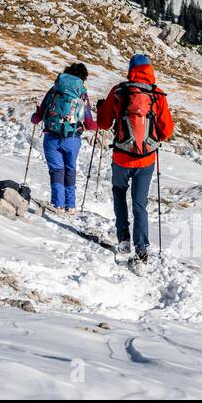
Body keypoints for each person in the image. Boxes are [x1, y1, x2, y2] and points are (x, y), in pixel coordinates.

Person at [95, 53, 174, 269]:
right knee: (140, 205)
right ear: (150, 70)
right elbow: (167, 130)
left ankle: (123, 240)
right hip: (146, 160)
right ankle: (141, 252)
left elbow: (102, 123)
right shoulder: (157, 95)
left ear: (130, 69)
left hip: (121, 156)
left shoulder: (120, 91)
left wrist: (102, 109)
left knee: (119, 193)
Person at [30, 62, 97, 213]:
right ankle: (70, 206)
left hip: (51, 137)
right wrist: (98, 125)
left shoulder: (55, 90)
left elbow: (40, 114)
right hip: (72, 138)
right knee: (70, 170)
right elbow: (88, 121)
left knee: (56, 170)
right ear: (82, 78)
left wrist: (35, 118)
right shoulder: (81, 93)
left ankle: (57, 204)